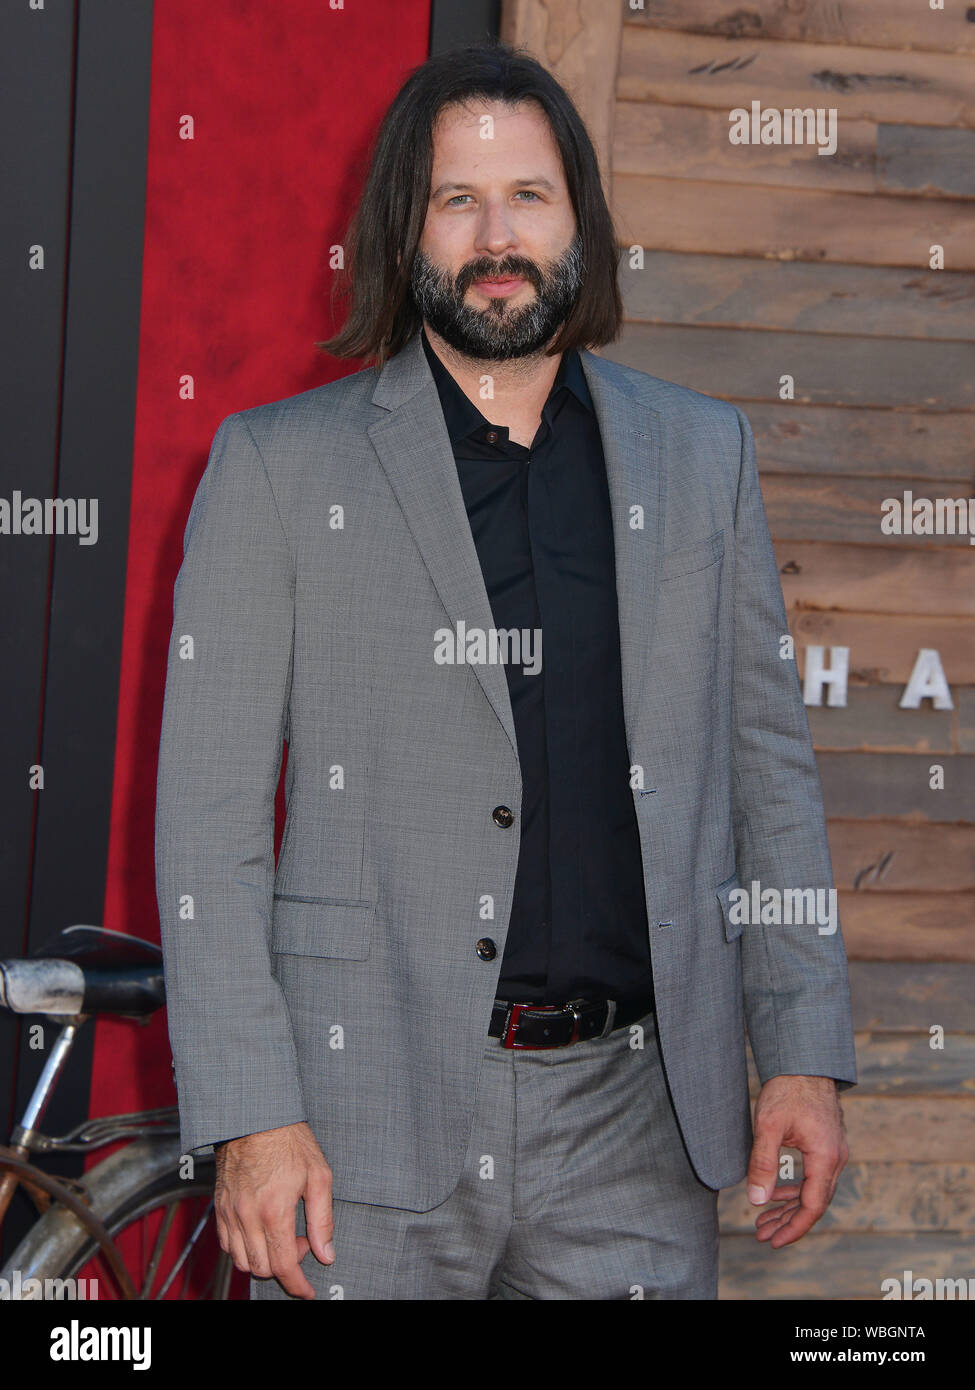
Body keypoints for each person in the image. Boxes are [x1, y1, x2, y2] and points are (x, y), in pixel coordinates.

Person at [154, 39, 856, 1302]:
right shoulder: (277, 470)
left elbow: (769, 775)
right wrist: (252, 1115)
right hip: (353, 1124)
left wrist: (803, 1051)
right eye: (455, 199)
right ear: (403, 231)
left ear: (577, 217)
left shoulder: (702, 459)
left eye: (527, 195)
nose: (495, 234)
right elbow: (207, 828)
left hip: (637, 1129)